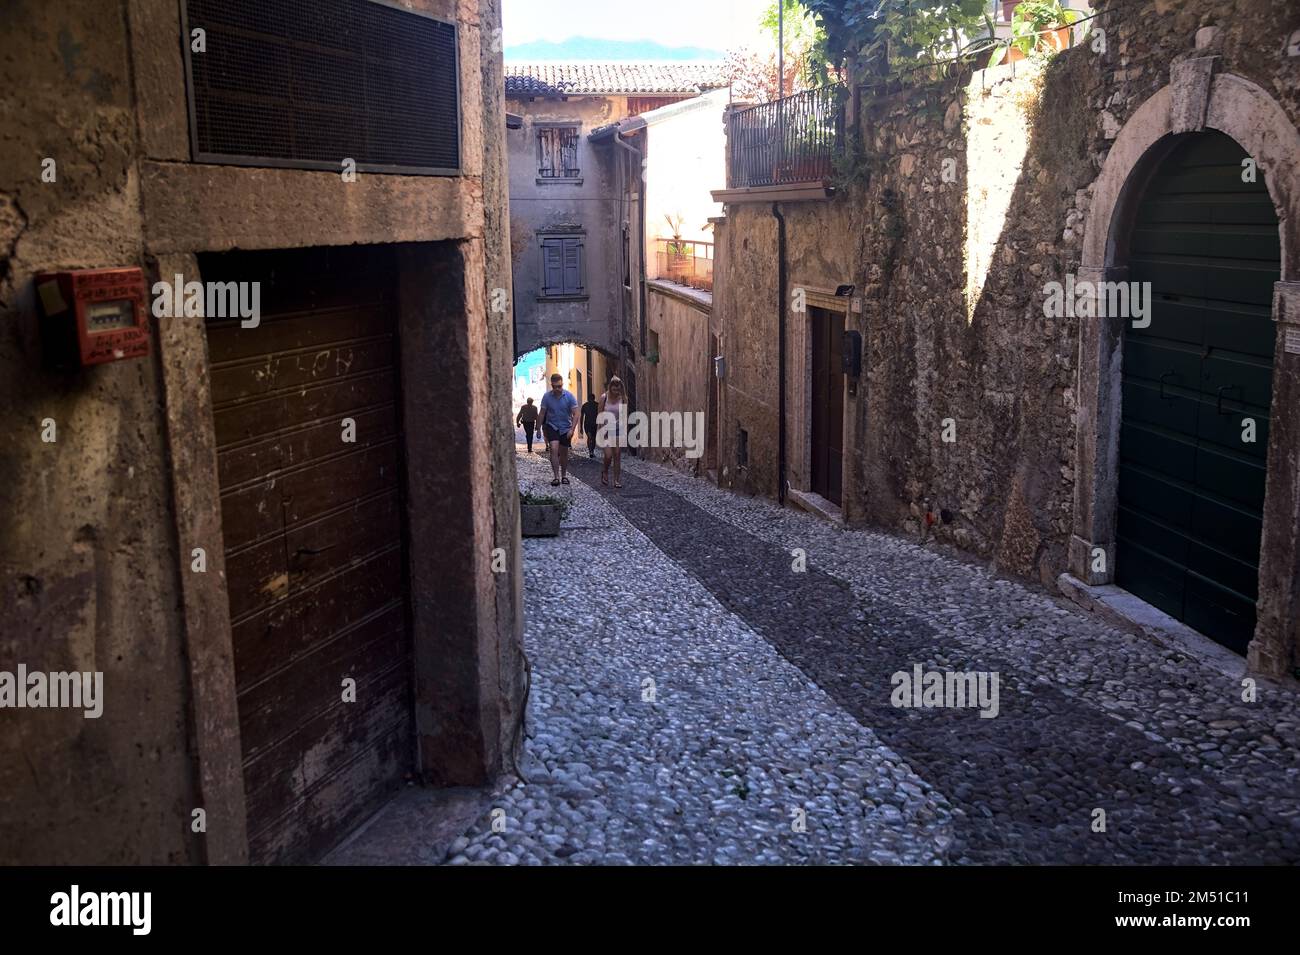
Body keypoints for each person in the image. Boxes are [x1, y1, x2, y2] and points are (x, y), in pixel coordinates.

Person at [538, 373, 579, 486]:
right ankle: (556, 477)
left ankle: (564, 475)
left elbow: (576, 414)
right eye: (555, 387)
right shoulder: (547, 397)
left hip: (565, 428)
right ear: (551, 385)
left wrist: (572, 429)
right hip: (552, 426)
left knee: (564, 453)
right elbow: (542, 413)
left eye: (559, 386)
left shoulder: (569, 396)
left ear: (562, 384)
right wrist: (538, 428)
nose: (557, 389)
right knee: (553, 449)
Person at [599, 376, 627, 489]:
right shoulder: (604, 397)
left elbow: (624, 416)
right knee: (608, 455)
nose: (616, 390)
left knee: (617, 455)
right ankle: (605, 471)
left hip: (618, 429)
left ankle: (616, 480)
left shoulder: (623, 398)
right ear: (610, 387)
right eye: (614, 387)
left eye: (618, 388)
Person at [581, 393, 599, 458]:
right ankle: (591, 451)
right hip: (593, 424)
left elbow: (582, 417)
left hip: (588, 424)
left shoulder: (585, 405)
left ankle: (591, 451)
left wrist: (580, 427)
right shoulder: (597, 405)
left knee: (591, 438)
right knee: (592, 438)